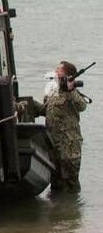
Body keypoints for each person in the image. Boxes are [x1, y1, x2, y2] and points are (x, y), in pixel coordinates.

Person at [25, 61, 88, 191]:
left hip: (69, 145)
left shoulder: (72, 93)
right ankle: (58, 209)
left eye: (59, 69)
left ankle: (73, 209)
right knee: (56, 182)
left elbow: (82, 106)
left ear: (67, 74)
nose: (56, 71)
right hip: (53, 143)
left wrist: (71, 90)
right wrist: (27, 104)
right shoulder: (54, 92)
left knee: (70, 183)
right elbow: (46, 111)